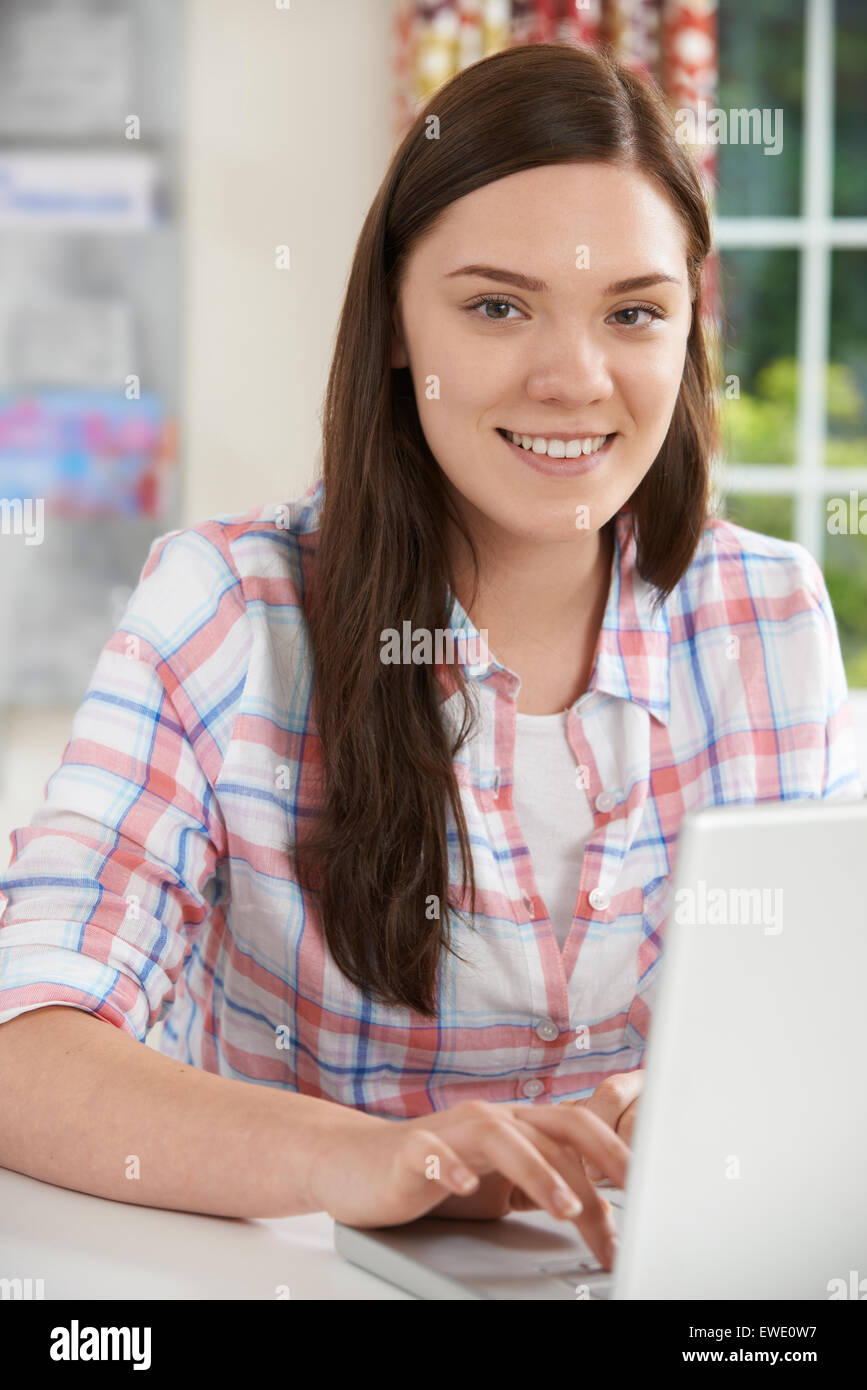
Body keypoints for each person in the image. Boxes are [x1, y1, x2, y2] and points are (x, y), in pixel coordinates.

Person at [0, 43, 861, 1277]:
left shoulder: (769, 615)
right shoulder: (230, 611)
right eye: (498, 305)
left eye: (634, 312)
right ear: (396, 323)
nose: (574, 379)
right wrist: (363, 1157)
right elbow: (24, 1042)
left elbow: (823, 1035)